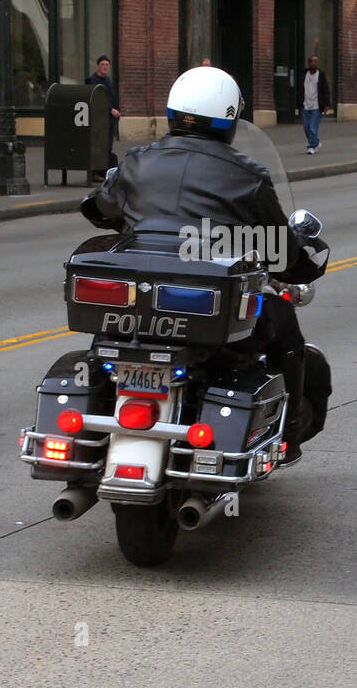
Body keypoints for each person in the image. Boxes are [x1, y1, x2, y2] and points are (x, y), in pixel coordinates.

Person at [81, 66, 328, 462]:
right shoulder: (247, 176)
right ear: (230, 119)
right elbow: (282, 250)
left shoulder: (137, 161)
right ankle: (288, 440)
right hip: (207, 310)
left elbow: (96, 207)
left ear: (173, 113)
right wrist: (302, 261)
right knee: (283, 322)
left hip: (137, 312)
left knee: (106, 344)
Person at [86, 54, 122, 179]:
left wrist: (117, 111)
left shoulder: (108, 81)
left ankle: (103, 171)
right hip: (98, 121)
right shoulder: (93, 81)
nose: (105, 67)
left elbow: (113, 98)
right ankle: (94, 172)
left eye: (107, 65)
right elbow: (96, 100)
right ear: (98, 66)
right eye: (102, 65)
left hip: (110, 121)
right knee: (98, 146)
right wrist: (110, 110)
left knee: (107, 146)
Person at [298, 54, 331, 154]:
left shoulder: (321, 75)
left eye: (315, 61)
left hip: (316, 105)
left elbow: (326, 90)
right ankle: (315, 142)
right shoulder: (304, 74)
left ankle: (311, 147)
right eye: (311, 61)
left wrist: (326, 105)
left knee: (313, 126)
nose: (313, 63)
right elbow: (299, 89)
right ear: (309, 63)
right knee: (306, 127)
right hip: (305, 104)